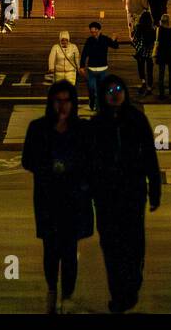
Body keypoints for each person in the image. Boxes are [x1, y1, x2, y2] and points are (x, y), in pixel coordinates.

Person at [88, 75, 162, 313]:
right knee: (110, 246)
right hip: (107, 195)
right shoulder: (97, 125)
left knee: (133, 242)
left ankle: (132, 281)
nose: (115, 94)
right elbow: (88, 163)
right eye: (110, 90)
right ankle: (118, 292)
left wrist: (155, 188)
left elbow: (150, 155)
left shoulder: (136, 119)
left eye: (119, 89)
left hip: (132, 192)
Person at [23, 80, 95, 314]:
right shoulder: (38, 128)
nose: (62, 107)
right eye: (58, 101)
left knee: (70, 251)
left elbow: (90, 160)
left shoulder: (81, 130)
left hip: (74, 198)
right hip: (48, 198)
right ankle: (52, 289)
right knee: (50, 250)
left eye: (67, 101)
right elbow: (27, 160)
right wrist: (49, 167)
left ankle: (68, 295)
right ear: (51, 103)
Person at [79, 21, 121, 112]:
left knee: (102, 89)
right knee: (91, 88)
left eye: (95, 32)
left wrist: (115, 39)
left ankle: (99, 106)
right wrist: (82, 66)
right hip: (91, 69)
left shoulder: (104, 39)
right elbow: (84, 53)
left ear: (99, 30)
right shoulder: (89, 40)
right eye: (92, 32)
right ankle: (92, 101)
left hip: (103, 69)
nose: (93, 34)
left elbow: (115, 46)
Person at [153, 14, 171, 98]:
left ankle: (161, 92)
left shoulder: (159, 30)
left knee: (161, 73)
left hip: (161, 53)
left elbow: (156, 41)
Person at [132, 11, 157, 96]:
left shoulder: (138, 27)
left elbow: (135, 39)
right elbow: (155, 40)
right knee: (149, 69)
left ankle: (143, 81)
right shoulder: (152, 28)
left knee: (141, 66)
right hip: (149, 51)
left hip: (141, 51)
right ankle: (149, 86)